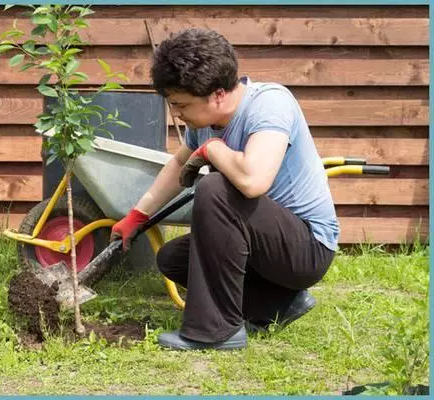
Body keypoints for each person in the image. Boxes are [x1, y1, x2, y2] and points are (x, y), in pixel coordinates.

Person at [110, 28, 339, 351]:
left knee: (216, 188)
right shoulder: (204, 124)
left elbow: (253, 181)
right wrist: (137, 215)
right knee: (174, 259)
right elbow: (178, 165)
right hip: (263, 244)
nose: (177, 113)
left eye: (182, 105)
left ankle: (216, 331)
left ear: (217, 94)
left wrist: (214, 150)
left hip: (306, 249)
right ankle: (278, 304)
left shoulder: (270, 104)